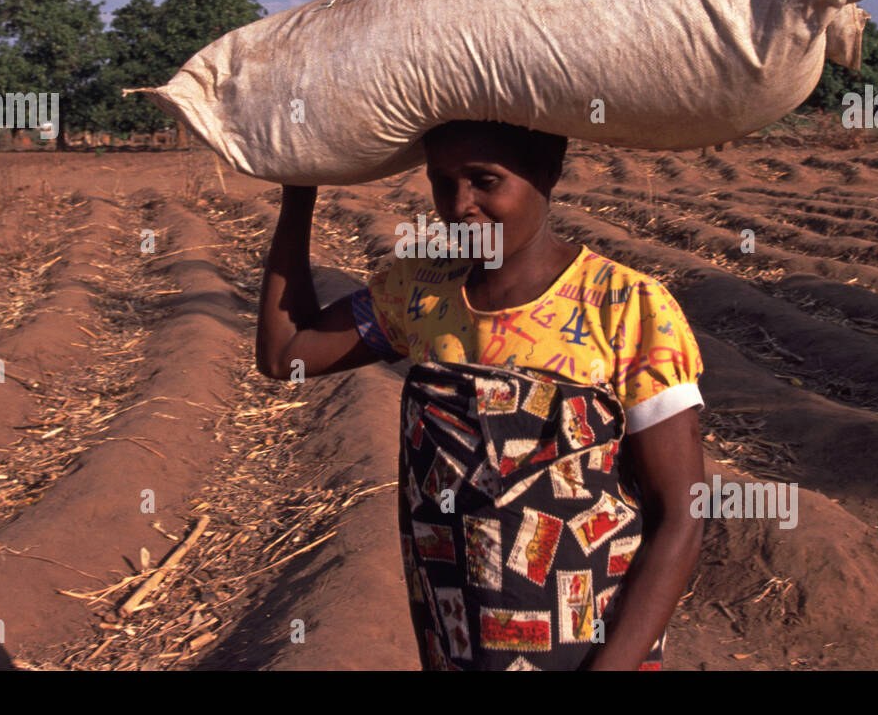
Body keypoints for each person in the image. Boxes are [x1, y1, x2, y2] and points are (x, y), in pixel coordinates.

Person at [256, 120, 706, 670]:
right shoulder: (419, 290)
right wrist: (299, 191)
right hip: (458, 636)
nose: (459, 205)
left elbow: (681, 515)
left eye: (485, 181)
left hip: (586, 646)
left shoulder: (625, 305)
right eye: (442, 182)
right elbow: (286, 355)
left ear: (548, 172)